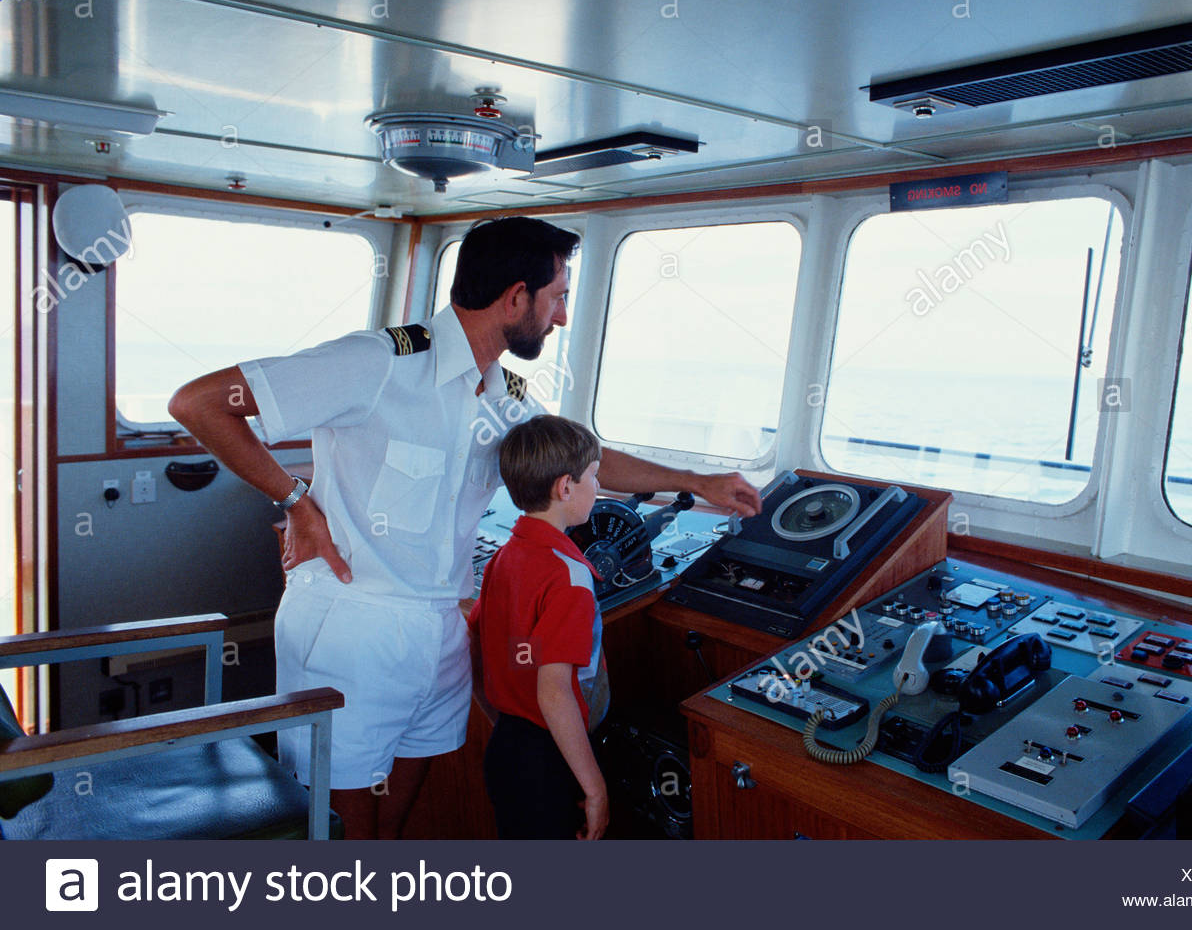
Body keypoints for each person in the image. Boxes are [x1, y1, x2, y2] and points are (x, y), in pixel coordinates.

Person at [167, 216, 762, 840]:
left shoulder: (504, 395)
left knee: (390, 828)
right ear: (515, 297)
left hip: (442, 629)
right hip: (353, 625)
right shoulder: (375, 363)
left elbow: (586, 457)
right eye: (557, 297)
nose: (560, 317)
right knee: (343, 834)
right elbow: (199, 403)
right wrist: (296, 501)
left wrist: (697, 481)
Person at [469, 415, 610, 839]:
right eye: (594, 477)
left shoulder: (503, 558)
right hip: (551, 760)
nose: (598, 488)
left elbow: (475, 650)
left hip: (509, 748)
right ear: (565, 488)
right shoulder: (569, 576)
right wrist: (595, 788)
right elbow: (554, 691)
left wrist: (507, 721)